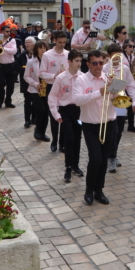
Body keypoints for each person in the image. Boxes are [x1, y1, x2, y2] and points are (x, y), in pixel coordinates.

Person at [73, 49, 117, 206]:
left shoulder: (109, 78)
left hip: (109, 122)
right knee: (95, 158)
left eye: (101, 62)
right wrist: (100, 92)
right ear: (88, 64)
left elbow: (117, 101)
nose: (99, 66)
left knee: (104, 159)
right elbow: (77, 100)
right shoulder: (81, 80)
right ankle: (88, 190)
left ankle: (99, 190)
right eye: (95, 63)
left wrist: (116, 94)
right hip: (90, 124)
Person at [48, 49, 85, 182]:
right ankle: (68, 167)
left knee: (77, 139)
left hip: (78, 111)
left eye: (80, 61)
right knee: (69, 138)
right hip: (65, 110)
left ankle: (76, 165)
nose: (79, 63)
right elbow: (52, 96)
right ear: (69, 62)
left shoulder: (82, 77)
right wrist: (55, 113)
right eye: (76, 61)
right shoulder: (61, 77)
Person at [103, 43, 135, 173]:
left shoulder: (125, 68)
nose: (118, 59)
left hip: (120, 102)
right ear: (109, 56)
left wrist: (134, 101)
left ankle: (113, 154)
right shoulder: (104, 68)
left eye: (119, 56)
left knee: (119, 130)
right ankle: (110, 156)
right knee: (110, 130)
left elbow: (131, 85)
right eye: (115, 56)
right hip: (107, 102)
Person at [39, 31, 69, 152]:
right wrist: (54, 75)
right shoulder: (47, 55)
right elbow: (41, 73)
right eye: (59, 42)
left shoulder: (68, 54)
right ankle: (54, 141)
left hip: (65, 88)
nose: (62, 45)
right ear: (54, 41)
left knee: (63, 115)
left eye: (64, 42)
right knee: (53, 116)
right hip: (52, 87)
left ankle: (62, 143)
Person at [25, 40, 50, 143]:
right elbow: (26, 76)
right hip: (36, 90)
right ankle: (37, 130)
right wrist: (36, 84)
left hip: (47, 89)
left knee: (46, 112)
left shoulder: (49, 61)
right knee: (41, 110)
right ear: (37, 49)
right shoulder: (31, 61)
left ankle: (42, 133)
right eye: (40, 48)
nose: (43, 50)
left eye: (44, 48)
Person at [123, 38, 135, 133]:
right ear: (125, 47)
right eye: (130, 46)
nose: (132, 48)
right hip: (124, 84)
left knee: (132, 103)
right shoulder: (121, 56)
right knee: (123, 103)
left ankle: (131, 125)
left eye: (133, 46)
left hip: (134, 82)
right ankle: (120, 123)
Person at [18, 37, 35, 128]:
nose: (28, 44)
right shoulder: (21, 55)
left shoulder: (37, 55)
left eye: (30, 42)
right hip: (25, 81)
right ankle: (27, 120)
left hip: (36, 81)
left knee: (35, 101)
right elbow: (16, 66)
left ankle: (34, 118)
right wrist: (25, 70)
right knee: (27, 101)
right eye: (26, 42)